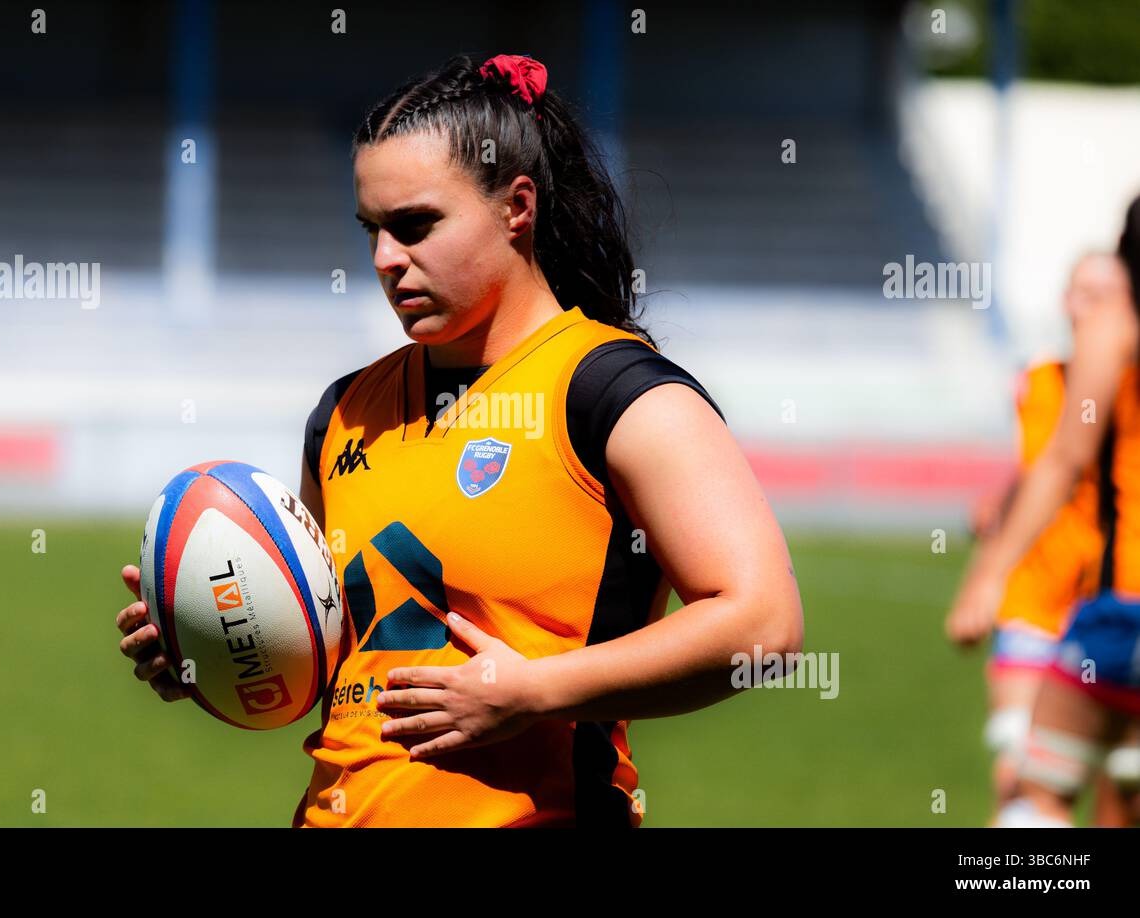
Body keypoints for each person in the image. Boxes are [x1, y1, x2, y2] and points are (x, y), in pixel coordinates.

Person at [116, 52, 803, 827]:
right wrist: (219, 641)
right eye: (371, 230)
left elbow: (763, 625)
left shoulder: (614, 395)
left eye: (415, 226)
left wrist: (535, 691)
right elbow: (344, 661)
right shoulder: (344, 411)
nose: (384, 261)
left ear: (516, 207)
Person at [948, 196, 1140, 827]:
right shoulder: (1038, 380)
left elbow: (1063, 461)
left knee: (1041, 795)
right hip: (1049, 602)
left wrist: (986, 573)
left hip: (1114, 605)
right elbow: (1037, 469)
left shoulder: (1114, 332)